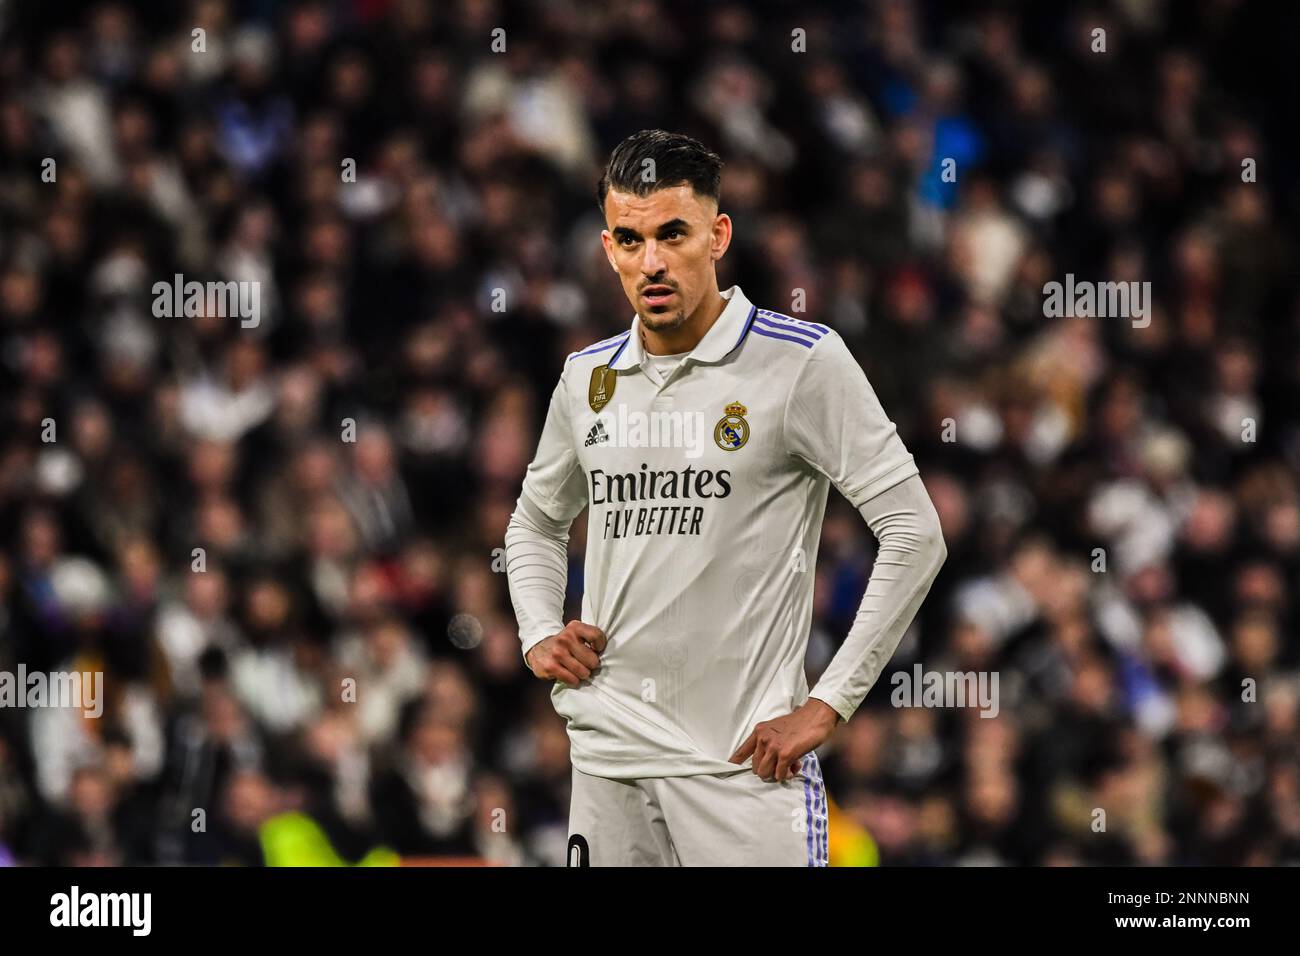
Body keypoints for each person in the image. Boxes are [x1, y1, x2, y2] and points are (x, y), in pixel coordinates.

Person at [503, 128, 948, 866]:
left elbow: (914, 531)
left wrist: (828, 704)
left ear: (718, 235)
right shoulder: (586, 380)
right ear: (607, 248)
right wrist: (536, 629)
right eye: (630, 238)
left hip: (743, 774)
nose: (652, 261)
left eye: (672, 234)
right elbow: (535, 523)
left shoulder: (799, 362)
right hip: (608, 765)